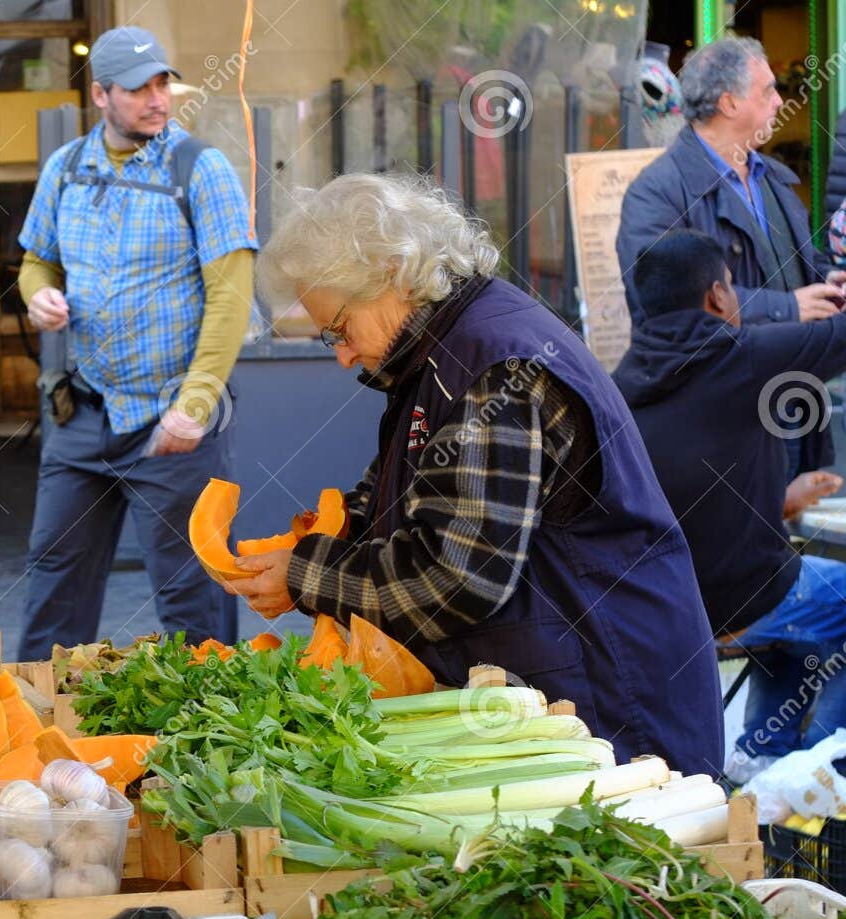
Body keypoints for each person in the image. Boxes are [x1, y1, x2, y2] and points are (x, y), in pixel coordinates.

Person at [234, 173, 722, 775]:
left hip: (613, 706)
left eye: (339, 328)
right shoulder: (441, 352)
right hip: (564, 691)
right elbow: (413, 486)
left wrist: (307, 573)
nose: (341, 355)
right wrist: (341, 530)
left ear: (390, 274)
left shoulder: (494, 365)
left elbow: (454, 578)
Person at [15, 26, 257, 660]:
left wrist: (195, 404)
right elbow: (37, 261)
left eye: (162, 84)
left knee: (192, 600)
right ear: (99, 94)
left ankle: (205, 739)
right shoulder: (65, 169)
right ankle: (40, 728)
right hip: (82, 415)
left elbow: (232, 295)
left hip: (172, 419)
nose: (157, 99)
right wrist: (37, 296)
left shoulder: (200, 170)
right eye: (138, 88)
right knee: (53, 583)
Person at [613, 230, 846, 780]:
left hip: (668, 608)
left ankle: (758, 762)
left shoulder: (621, 382)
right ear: (717, 296)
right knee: (810, 597)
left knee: (795, 625)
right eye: (735, 289)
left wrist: (785, 500)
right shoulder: (742, 357)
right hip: (743, 597)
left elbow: (694, 493)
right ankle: (823, 770)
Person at [616, 35, 844, 477]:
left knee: (786, 533)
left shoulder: (772, 176)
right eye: (768, 91)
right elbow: (662, 308)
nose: (781, 102)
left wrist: (830, 281)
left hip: (790, 403)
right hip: (717, 422)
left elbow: (800, 262)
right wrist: (788, 307)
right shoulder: (656, 191)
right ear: (729, 103)